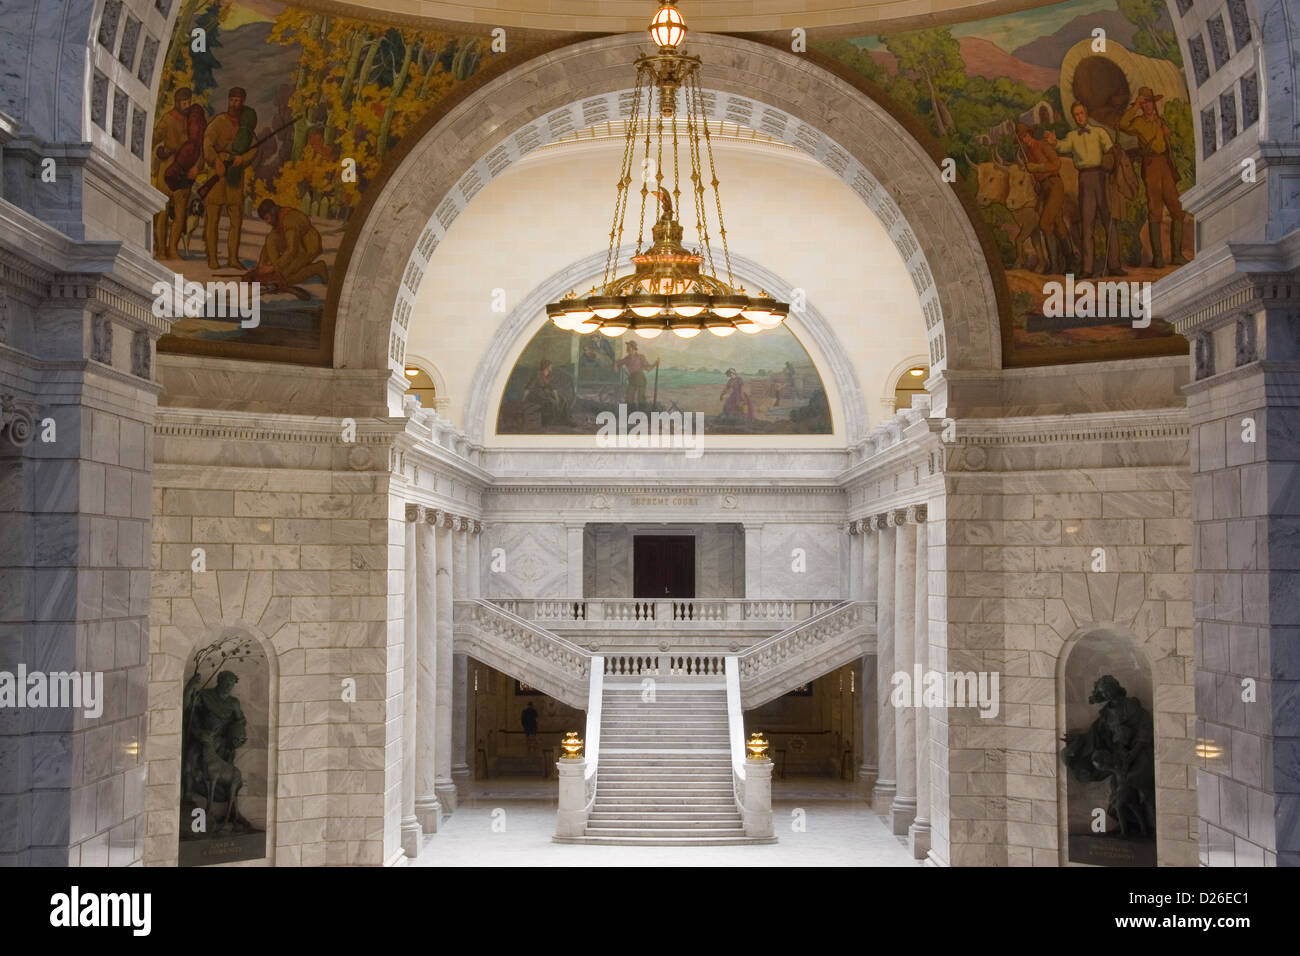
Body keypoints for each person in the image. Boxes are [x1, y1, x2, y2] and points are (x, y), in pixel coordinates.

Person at [1052, 102, 1126, 278]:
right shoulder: (1072, 136)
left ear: (1087, 113)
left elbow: (1110, 151)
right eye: (1076, 115)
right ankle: (1087, 268)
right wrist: (1053, 141)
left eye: (1081, 113)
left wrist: (1112, 159)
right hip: (1085, 180)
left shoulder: (1100, 132)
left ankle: (1115, 265)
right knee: (1087, 225)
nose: (1079, 117)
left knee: (1109, 221)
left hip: (1102, 177)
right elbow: (1061, 146)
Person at [1119, 87, 1187, 268]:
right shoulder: (1139, 122)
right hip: (1151, 167)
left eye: (1150, 102)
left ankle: (1177, 255)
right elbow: (1123, 124)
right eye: (1145, 103)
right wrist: (1135, 107)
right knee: (1155, 210)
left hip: (1165, 164)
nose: (1149, 106)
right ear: (1142, 105)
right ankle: (1158, 258)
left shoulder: (1160, 121)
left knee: (1177, 209)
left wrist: (1166, 134)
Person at [202, 87, 258, 270]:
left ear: (243, 102)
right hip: (217, 175)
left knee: (236, 221)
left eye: (239, 100)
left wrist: (243, 159)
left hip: (235, 176)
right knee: (213, 220)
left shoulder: (245, 127)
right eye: (233, 100)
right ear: (228, 101)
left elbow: (254, 148)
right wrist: (216, 160)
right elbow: (207, 143)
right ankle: (212, 258)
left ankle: (233, 259)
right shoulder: (218, 122)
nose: (235, 104)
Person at [153, 87, 202, 259]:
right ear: (177, 102)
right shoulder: (167, 119)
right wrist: (158, 153)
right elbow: (153, 139)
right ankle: (160, 249)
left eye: (189, 102)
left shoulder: (193, 121)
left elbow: (198, 146)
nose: (187, 105)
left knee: (181, 212)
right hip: (167, 167)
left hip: (185, 169)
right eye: (184, 102)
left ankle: (173, 249)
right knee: (162, 210)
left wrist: (197, 166)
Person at [1017, 122, 1069, 275]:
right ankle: (1068, 261)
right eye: (1021, 139)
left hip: (1054, 184)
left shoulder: (1043, 146)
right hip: (1043, 189)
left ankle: (1055, 266)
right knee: (1058, 224)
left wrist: (1038, 168)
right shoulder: (1027, 154)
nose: (1025, 140)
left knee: (1045, 223)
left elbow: (1057, 164)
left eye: (1025, 136)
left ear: (1030, 134)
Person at [245, 199, 329, 290]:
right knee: (270, 239)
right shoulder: (278, 218)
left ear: (272, 212)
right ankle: (276, 273)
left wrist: (273, 267)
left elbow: (292, 250)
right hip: (295, 244)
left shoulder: (290, 221)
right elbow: (270, 243)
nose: (267, 222)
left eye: (267, 218)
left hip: (307, 247)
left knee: (286, 277)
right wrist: (260, 268)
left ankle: (317, 268)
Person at [521, 359, 570, 426]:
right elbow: (529, 388)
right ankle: (550, 422)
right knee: (551, 402)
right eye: (550, 366)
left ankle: (565, 420)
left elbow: (553, 388)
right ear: (546, 367)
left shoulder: (549, 376)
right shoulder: (537, 375)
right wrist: (523, 399)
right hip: (537, 395)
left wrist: (557, 398)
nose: (551, 367)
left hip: (547, 394)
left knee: (563, 400)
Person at [613, 340, 658, 410]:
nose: (627, 348)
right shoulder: (627, 358)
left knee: (641, 398)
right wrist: (615, 365)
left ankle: (642, 413)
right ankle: (629, 412)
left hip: (640, 378)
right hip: (632, 378)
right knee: (629, 397)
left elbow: (647, 367)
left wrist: (655, 364)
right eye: (627, 347)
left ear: (633, 348)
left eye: (629, 347)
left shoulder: (640, 357)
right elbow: (619, 363)